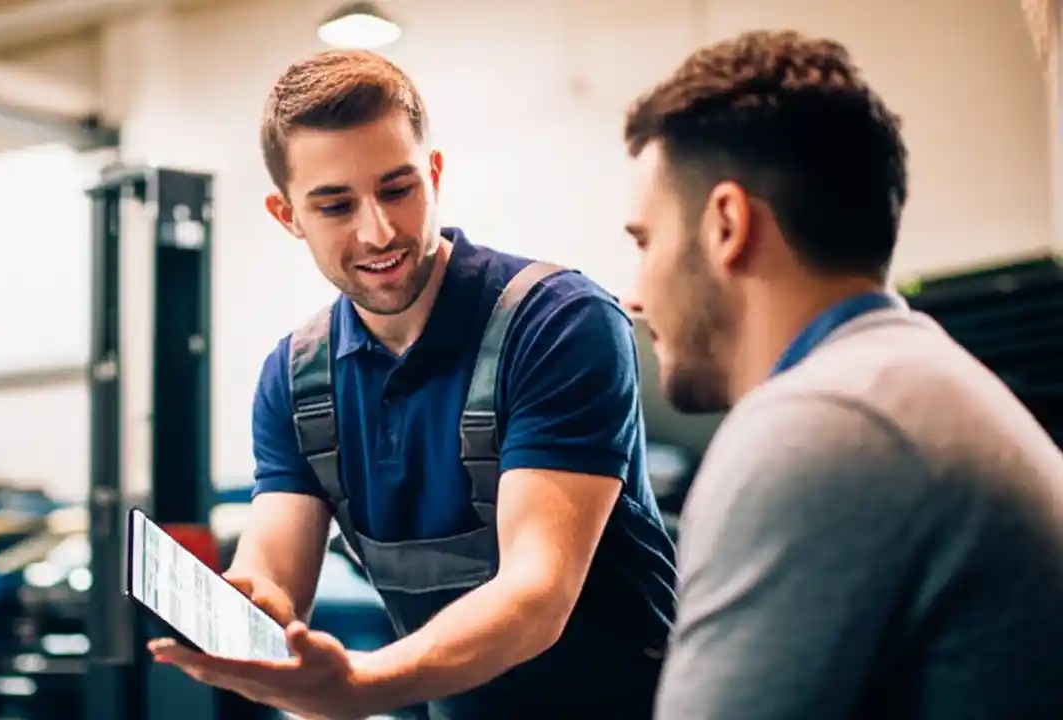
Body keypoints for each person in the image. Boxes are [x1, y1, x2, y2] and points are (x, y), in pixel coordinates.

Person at [149, 49, 678, 719]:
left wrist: (364, 684)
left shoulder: (559, 324)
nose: (378, 232)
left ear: (433, 173)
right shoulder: (296, 381)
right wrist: (246, 617)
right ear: (288, 217)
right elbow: (273, 581)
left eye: (397, 190)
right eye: (335, 205)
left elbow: (536, 595)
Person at [620, 29, 1063, 720]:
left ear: (727, 224)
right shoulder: (905, 382)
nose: (635, 296)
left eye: (644, 241)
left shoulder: (819, 429)